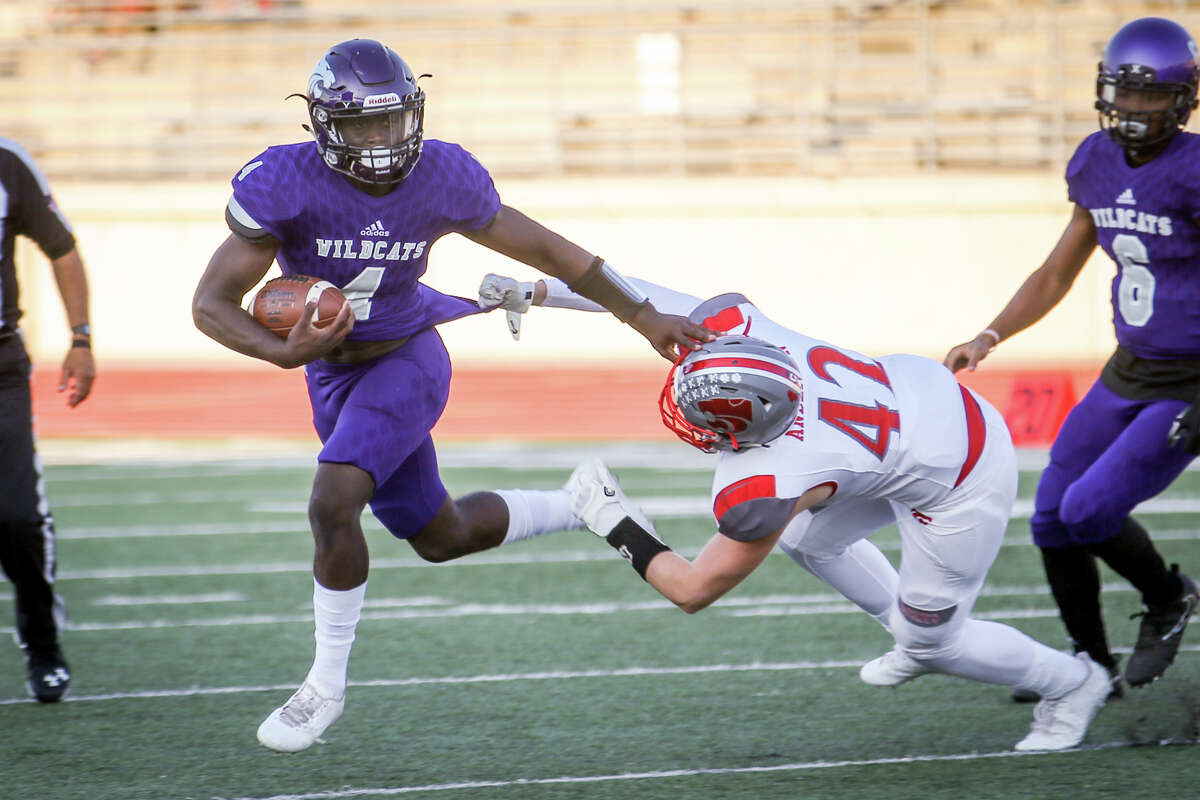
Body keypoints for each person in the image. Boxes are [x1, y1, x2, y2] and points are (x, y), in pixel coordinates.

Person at [190, 38, 713, 753]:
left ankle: (324, 686)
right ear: (322, 124)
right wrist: (283, 352)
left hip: (407, 357)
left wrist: (643, 316)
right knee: (442, 537)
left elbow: (553, 252)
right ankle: (582, 503)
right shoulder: (285, 181)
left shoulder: (440, 175)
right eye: (362, 126)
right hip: (332, 375)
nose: (380, 141)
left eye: (391, 121)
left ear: (415, 113)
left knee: (333, 501)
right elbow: (211, 303)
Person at [487, 276, 1111, 751]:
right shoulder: (745, 332)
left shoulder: (770, 479)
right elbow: (634, 293)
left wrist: (609, 517)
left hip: (961, 473)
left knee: (934, 641)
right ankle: (903, 626)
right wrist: (539, 290)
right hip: (917, 405)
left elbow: (693, 588)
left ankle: (1073, 683)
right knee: (808, 538)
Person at [943, 16, 1200, 700]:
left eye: (1150, 95)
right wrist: (990, 335)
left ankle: (1170, 595)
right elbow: (1057, 272)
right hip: (1129, 368)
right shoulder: (1095, 160)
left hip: (1190, 382)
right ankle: (1090, 668)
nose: (1134, 108)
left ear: (1182, 99)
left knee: (1088, 511)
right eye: (1125, 92)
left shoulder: (1195, 170)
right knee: (1052, 517)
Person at [0, 136, 95, 702]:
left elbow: (61, 248)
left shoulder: (7, 162)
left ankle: (42, 642)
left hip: (0, 366)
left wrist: (81, 339)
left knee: (16, 517)